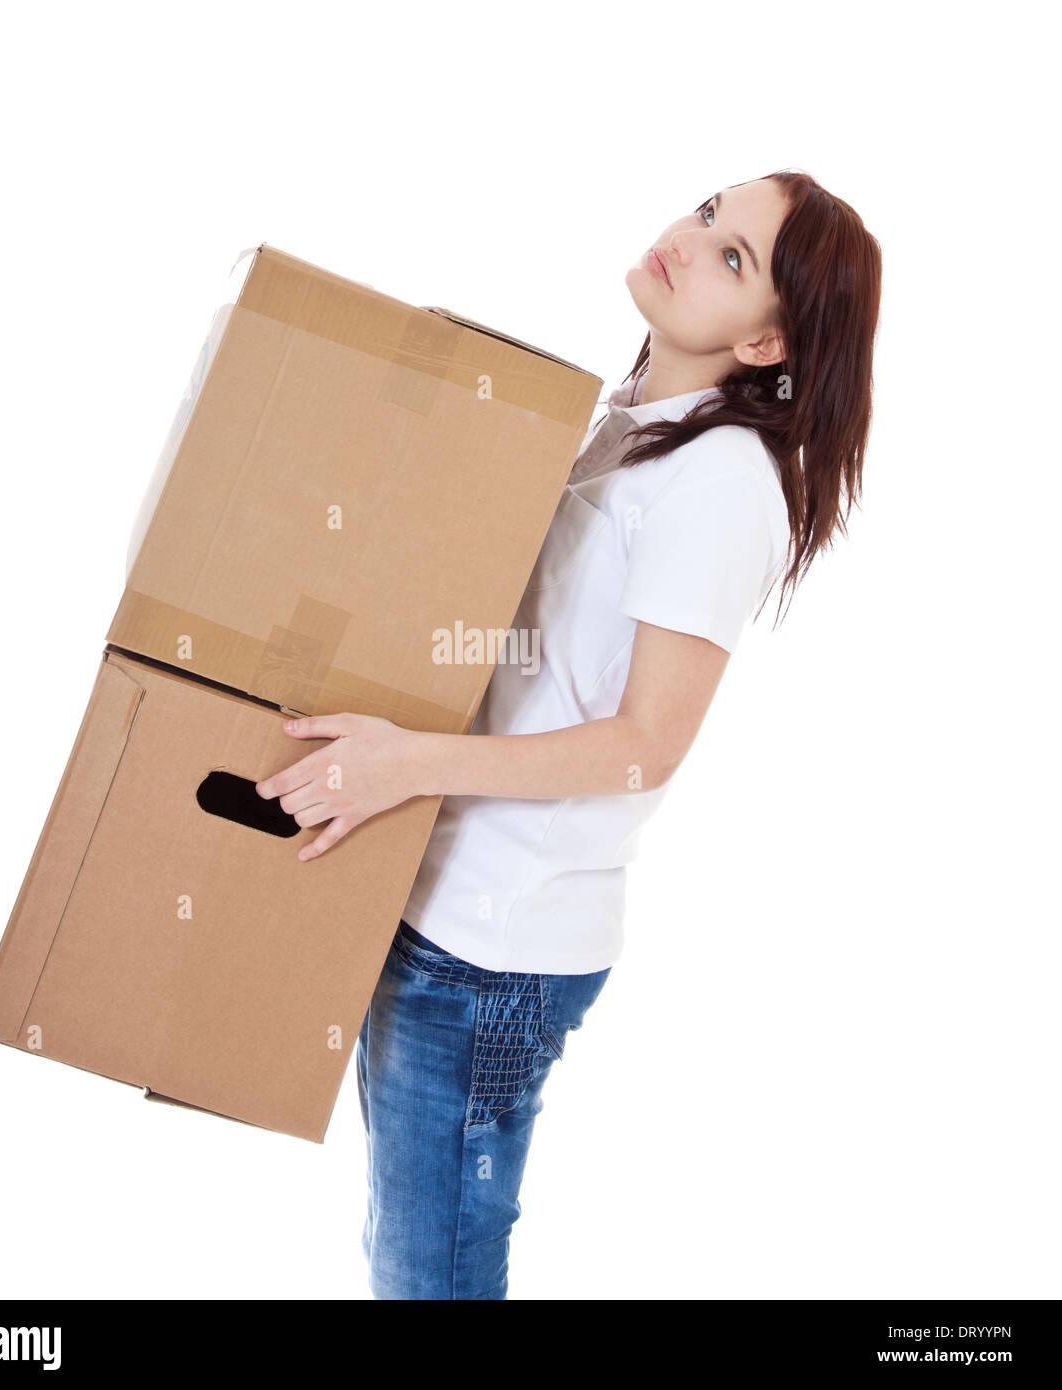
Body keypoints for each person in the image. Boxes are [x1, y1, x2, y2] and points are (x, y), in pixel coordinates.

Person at [256, 168, 883, 1299]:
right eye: (708, 214)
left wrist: (405, 765)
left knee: (431, 1271)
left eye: (734, 260)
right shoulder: (627, 419)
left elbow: (646, 740)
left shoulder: (722, 481)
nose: (689, 243)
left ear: (764, 345)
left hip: (495, 951)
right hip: (438, 900)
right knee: (412, 1250)